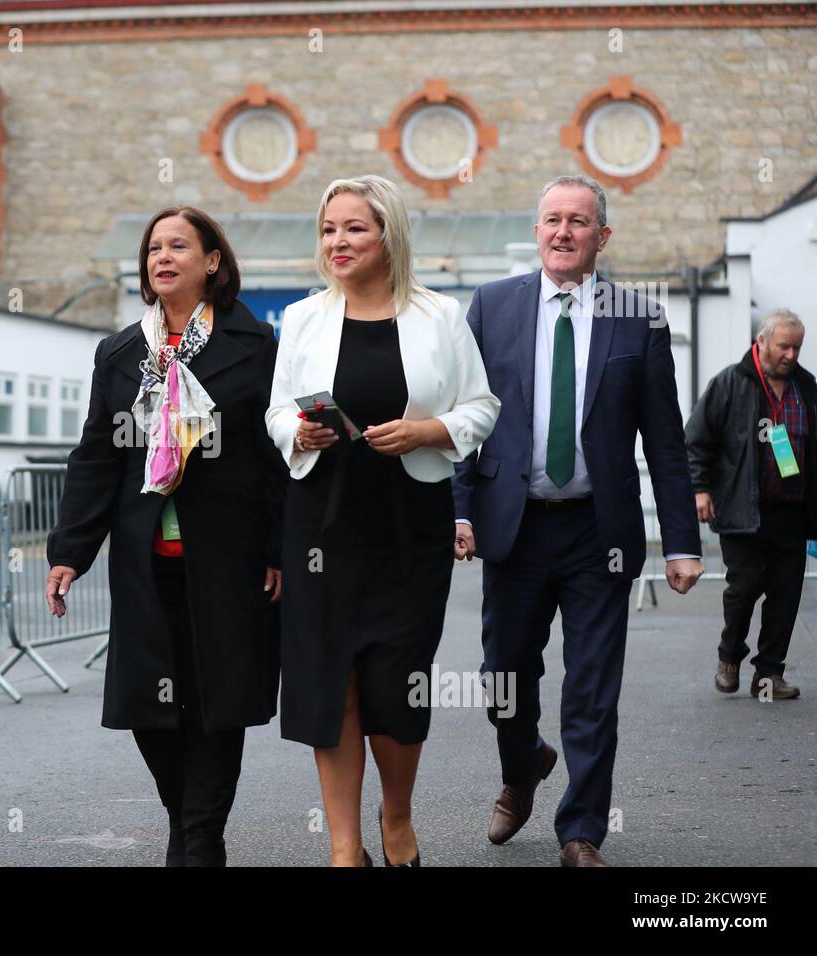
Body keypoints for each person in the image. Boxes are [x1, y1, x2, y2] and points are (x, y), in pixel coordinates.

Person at [452, 174, 703, 867]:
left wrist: (681, 541)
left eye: (579, 221)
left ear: (602, 236)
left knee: (592, 683)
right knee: (504, 678)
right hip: (514, 524)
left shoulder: (638, 317)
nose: (564, 232)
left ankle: (582, 830)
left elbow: (664, 439)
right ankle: (524, 762)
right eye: (552, 220)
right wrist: (461, 508)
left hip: (601, 534)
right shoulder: (492, 306)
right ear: (536, 233)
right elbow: (467, 420)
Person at [266, 175, 500, 867]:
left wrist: (431, 430)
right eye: (328, 229)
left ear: (388, 234)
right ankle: (345, 849)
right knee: (327, 679)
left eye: (353, 228)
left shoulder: (440, 315)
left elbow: (482, 407)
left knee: (397, 679)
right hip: (320, 520)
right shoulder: (305, 317)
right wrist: (297, 435)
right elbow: (278, 409)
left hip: (409, 520)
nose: (337, 241)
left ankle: (396, 816)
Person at [45, 206, 286, 867]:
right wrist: (69, 551)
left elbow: (276, 460)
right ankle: (188, 822)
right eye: (154, 247)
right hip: (146, 561)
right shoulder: (122, 353)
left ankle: (200, 838)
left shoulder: (256, 346)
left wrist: (278, 549)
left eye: (179, 245)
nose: (162, 257)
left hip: (229, 559)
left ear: (213, 261)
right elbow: (97, 456)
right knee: (151, 710)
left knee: (218, 704)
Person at [686, 308, 810, 700]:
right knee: (744, 588)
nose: (791, 355)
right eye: (783, 346)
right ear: (762, 342)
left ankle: (769, 674)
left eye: (797, 347)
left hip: (792, 509)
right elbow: (696, 440)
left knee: (786, 593)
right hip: (743, 508)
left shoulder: (806, 387)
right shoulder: (730, 383)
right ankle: (730, 656)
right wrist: (699, 489)